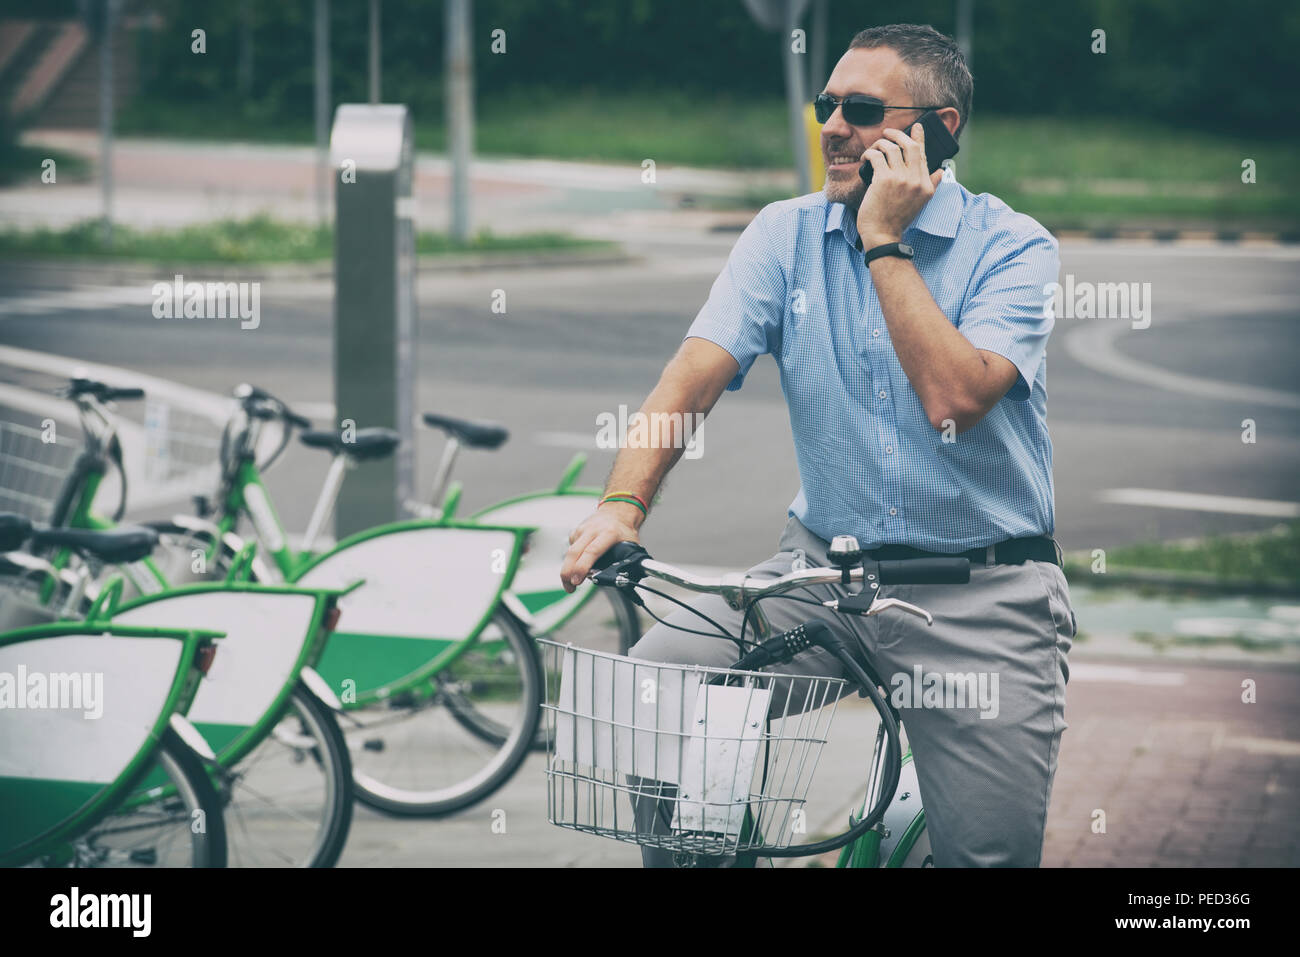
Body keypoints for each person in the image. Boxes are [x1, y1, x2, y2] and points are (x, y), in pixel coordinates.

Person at [560, 23, 1075, 868]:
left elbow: (956, 395)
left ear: (937, 132)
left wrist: (884, 241)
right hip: (821, 583)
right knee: (647, 689)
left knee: (988, 857)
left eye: (863, 110)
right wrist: (623, 503)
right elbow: (689, 378)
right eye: (826, 105)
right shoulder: (783, 234)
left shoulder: (1013, 246)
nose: (833, 125)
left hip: (983, 599)